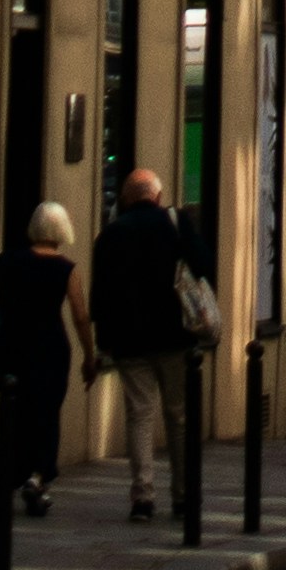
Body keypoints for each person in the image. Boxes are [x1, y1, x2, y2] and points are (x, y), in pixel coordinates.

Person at [88, 161, 189, 519]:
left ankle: (143, 497)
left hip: (130, 338)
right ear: (158, 197)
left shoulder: (111, 235)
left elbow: (99, 296)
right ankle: (182, 495)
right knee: (177, 416)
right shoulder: (176, 226)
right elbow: (204, 266)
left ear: (127, 201)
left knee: (140, 415)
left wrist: (102, 344)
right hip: (175, 336)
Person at [0, 200, 87, 519]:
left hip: (12, 346)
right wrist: (91, 355)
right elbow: (80, 315)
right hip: (49, 348)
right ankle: (37, 477)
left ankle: (8, 474)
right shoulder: (66, 269)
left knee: (13, 413)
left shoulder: (7, 262)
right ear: (62, 231)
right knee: (45, 414)